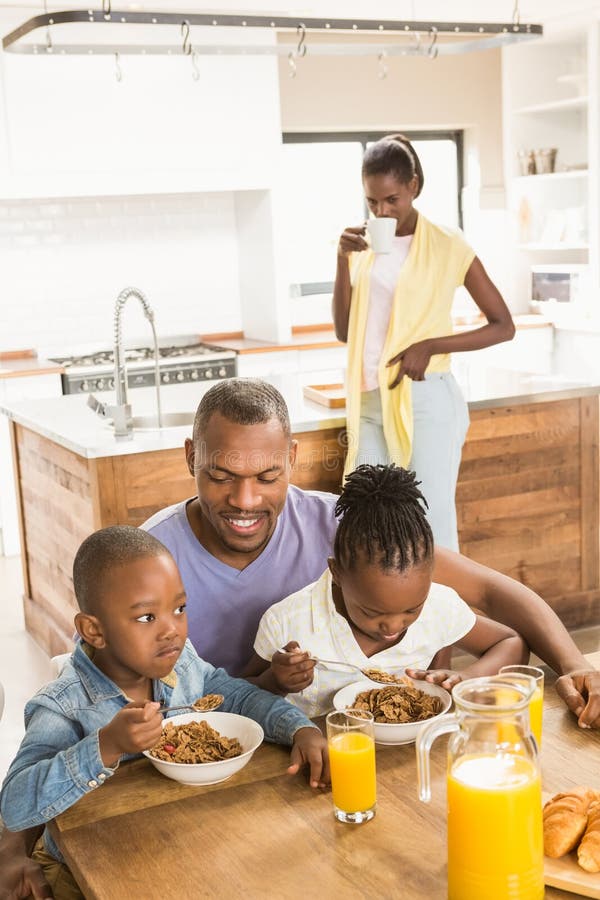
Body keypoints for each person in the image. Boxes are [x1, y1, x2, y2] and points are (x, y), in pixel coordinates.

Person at [0, 526, 328, 900]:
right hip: (88, 869)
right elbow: (14, 806)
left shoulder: (182, 664)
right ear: (94, 630)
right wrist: (105, 746)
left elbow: (235, 697)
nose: (172, 630)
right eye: (146, 618)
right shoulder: (65, 706)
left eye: (179, 609)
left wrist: (299, 729)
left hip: (183, 841)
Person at [332, 133, 516, 552]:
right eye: (373, 202)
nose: (382, 211)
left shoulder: (446, 244)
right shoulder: (362, 245)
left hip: (428, 401)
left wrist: (430, 345)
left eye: (392, 199)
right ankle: (383, 615)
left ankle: (445, 615)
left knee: (430, 523)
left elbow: (503, 324)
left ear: (413, 186)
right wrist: (342, 261)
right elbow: (345, 331)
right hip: (370, 401)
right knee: (365, 517)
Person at [244, 464, 526, 716]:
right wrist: (275, 681)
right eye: (372, 611)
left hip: (411, 756)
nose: (392, 626)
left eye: (411, 610)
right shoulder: (288, 621)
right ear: (337, 573)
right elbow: (239, 693)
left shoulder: (440, 606)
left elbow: (511, 643)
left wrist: (467, 677)